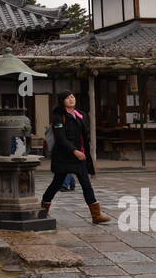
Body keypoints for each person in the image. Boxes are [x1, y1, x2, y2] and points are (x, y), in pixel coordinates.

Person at [40, 91, 110, 223]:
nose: (71, 99)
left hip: (79, 157)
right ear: (62, 100)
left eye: (72, 97)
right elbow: (60, 138)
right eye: (67, 97)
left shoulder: (81, 115)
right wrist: (74, 151)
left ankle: (96, 215)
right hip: (64, 156)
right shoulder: (58, 116)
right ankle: (43, 209)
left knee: (86, 184)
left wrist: (83, 152)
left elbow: (84, 136)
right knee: (56, 184)